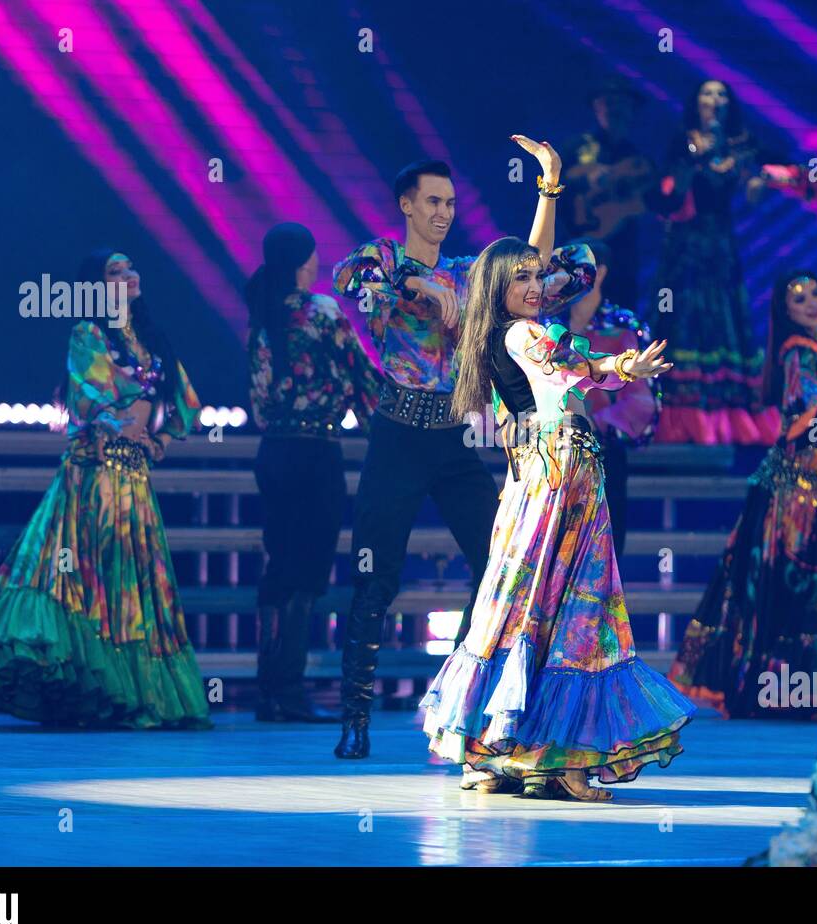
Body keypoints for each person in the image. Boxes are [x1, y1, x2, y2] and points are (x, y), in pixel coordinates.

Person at [420, 136, 694, 801]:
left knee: (521, 608)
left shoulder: (505, 326)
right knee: (575, 611)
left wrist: (549, 188)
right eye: (521, 280)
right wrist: (626, 366)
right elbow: (576, 367)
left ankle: (497, 752)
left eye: (535, 277)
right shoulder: (522, 334)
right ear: (498, 289)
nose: (537, 284)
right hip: (557, 476)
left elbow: (531, 264)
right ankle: (563, 757)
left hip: (546, 476)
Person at [330, 149, 592, 759]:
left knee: (498, 560)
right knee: (376, 576)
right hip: (396, 434)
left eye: (450, 203)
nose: (444, 213)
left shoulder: (471, 273)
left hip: (453, 437)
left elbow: (551, 264)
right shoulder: (386, 259)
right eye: (432, 202)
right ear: (407, 205)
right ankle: (355, 718)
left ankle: (456, 695)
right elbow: (350, 279)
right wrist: (415, 282)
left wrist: (548, 189)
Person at [0, 250, 211, 728]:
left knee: (129, 590)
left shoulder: (151, 339)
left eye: (131, 268)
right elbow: (91, 400)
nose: (129, 275)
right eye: (116, 272)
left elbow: (188, 404)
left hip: (135, 486)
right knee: (91, 585)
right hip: (93, 479)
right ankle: (94, 695)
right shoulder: (88, 334)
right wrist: (121, 425)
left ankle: (133, 697)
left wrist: (160, 442)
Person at [668, 271, 817, 740]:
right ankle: (786, 693)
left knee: (802, 594)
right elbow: (806, 410)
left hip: (813, 487)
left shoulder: (816, 350)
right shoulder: (797, 352)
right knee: (793, 593)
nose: (812, 302)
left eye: (815, 293)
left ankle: (803, 693)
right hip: (790, 496)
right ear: (787, 311)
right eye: (799, 299)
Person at [247, 223, 381, 722]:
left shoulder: (261, 315)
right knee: (307, 570)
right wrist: (383, 432)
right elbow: (363, 375)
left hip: (274, 451)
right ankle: (290, 689)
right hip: (317, 451)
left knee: (279, 564)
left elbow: (259, 402)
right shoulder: (322, 311)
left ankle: (271, 691)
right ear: (304, 260)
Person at [645, 78, 783, 446]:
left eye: (722, 94)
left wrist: (762, 180)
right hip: (685, 246)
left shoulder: (741, 145)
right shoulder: (682, 141)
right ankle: (676, 418)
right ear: (697, 101)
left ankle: (724, 419)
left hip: (720, 245)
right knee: (683, 321)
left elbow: (777, 168)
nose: (715, 99)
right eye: (707, 92)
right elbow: (662, 195)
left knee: (722, 320)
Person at [546, 236, 660, 563]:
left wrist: (595, 424)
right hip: (552, 455)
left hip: (603, 453)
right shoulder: (547, 324)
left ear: (601, 271)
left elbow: (642, 400)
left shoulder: (622, 325)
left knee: (603, 553)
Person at [560, 76, 655, 312]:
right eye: (609, 103)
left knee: (621, 309)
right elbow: (555, 188)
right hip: (580, 243)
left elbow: (656, 201)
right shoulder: (577, 148)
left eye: (622, 104)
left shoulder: (639, 158)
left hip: (623, 251)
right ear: (597, 106)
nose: (616, 110)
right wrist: (585, 177)